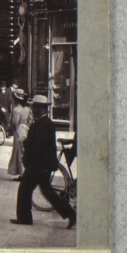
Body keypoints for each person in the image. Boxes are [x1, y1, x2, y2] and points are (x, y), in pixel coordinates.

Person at [10, 95, 76, 228]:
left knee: (25, 189)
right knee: (47, 192)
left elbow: (38, 146)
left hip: (38, 165)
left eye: (37, 108)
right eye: (34, 107)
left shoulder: (43, 124)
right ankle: (70, 214)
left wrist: (26, 142)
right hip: (42, 165)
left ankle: (25, 218)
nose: (34, 110)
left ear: (43, 109)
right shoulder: (44, 122)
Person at [7, 88, 33, 180]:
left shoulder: (16, 110)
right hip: (26, 129)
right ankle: (25, 171)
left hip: (18, 130)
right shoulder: (27, 109)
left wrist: (11, 127)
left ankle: (22, 173)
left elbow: (15, 122)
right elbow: (30, 121)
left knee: (19, 151)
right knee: (24, 150)